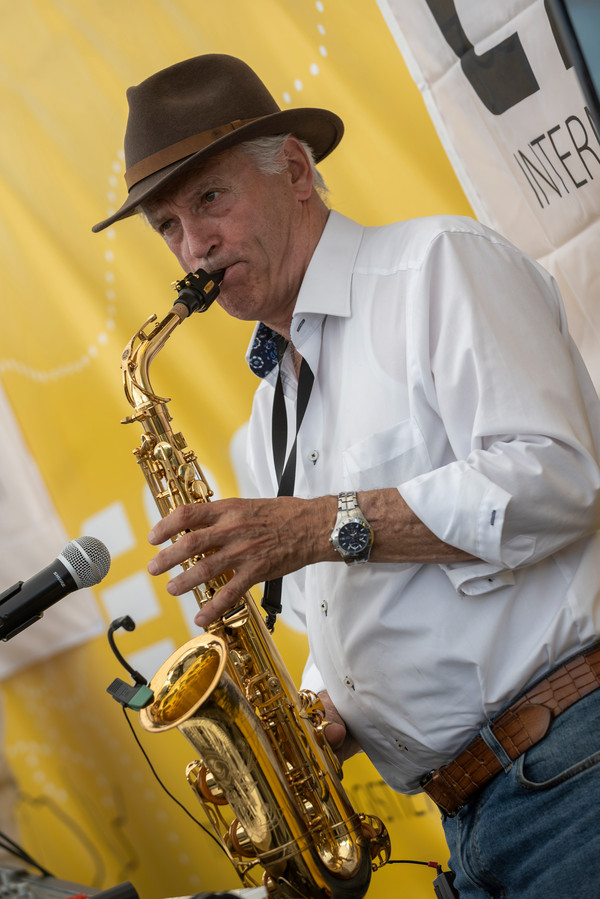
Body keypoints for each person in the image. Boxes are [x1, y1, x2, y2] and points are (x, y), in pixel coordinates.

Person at [93, 54, 600, 898]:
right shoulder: (268, 416)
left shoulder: (438, 266)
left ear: (295, 170)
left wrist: (318, 523)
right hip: (473, 818)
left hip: (573, 769)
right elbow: (359, 597)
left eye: (210, 198)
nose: (192, 244)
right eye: (168, 225)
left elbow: (561, 478)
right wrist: (320, 714)